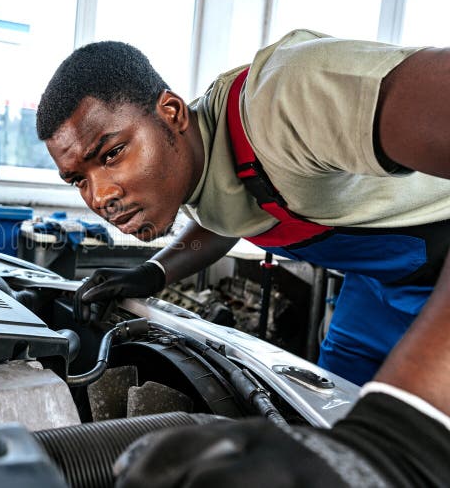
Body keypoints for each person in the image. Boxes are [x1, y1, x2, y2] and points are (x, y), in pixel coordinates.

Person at [36, 30, 450, 485]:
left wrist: (408, 438)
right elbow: (228, 214)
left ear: (171, 113)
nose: (101, 196)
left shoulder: (288, 96)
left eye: (112, 154)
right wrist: (155, 272)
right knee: (327, 424)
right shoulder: (190, 164)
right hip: (376, 290)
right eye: (78, 179)